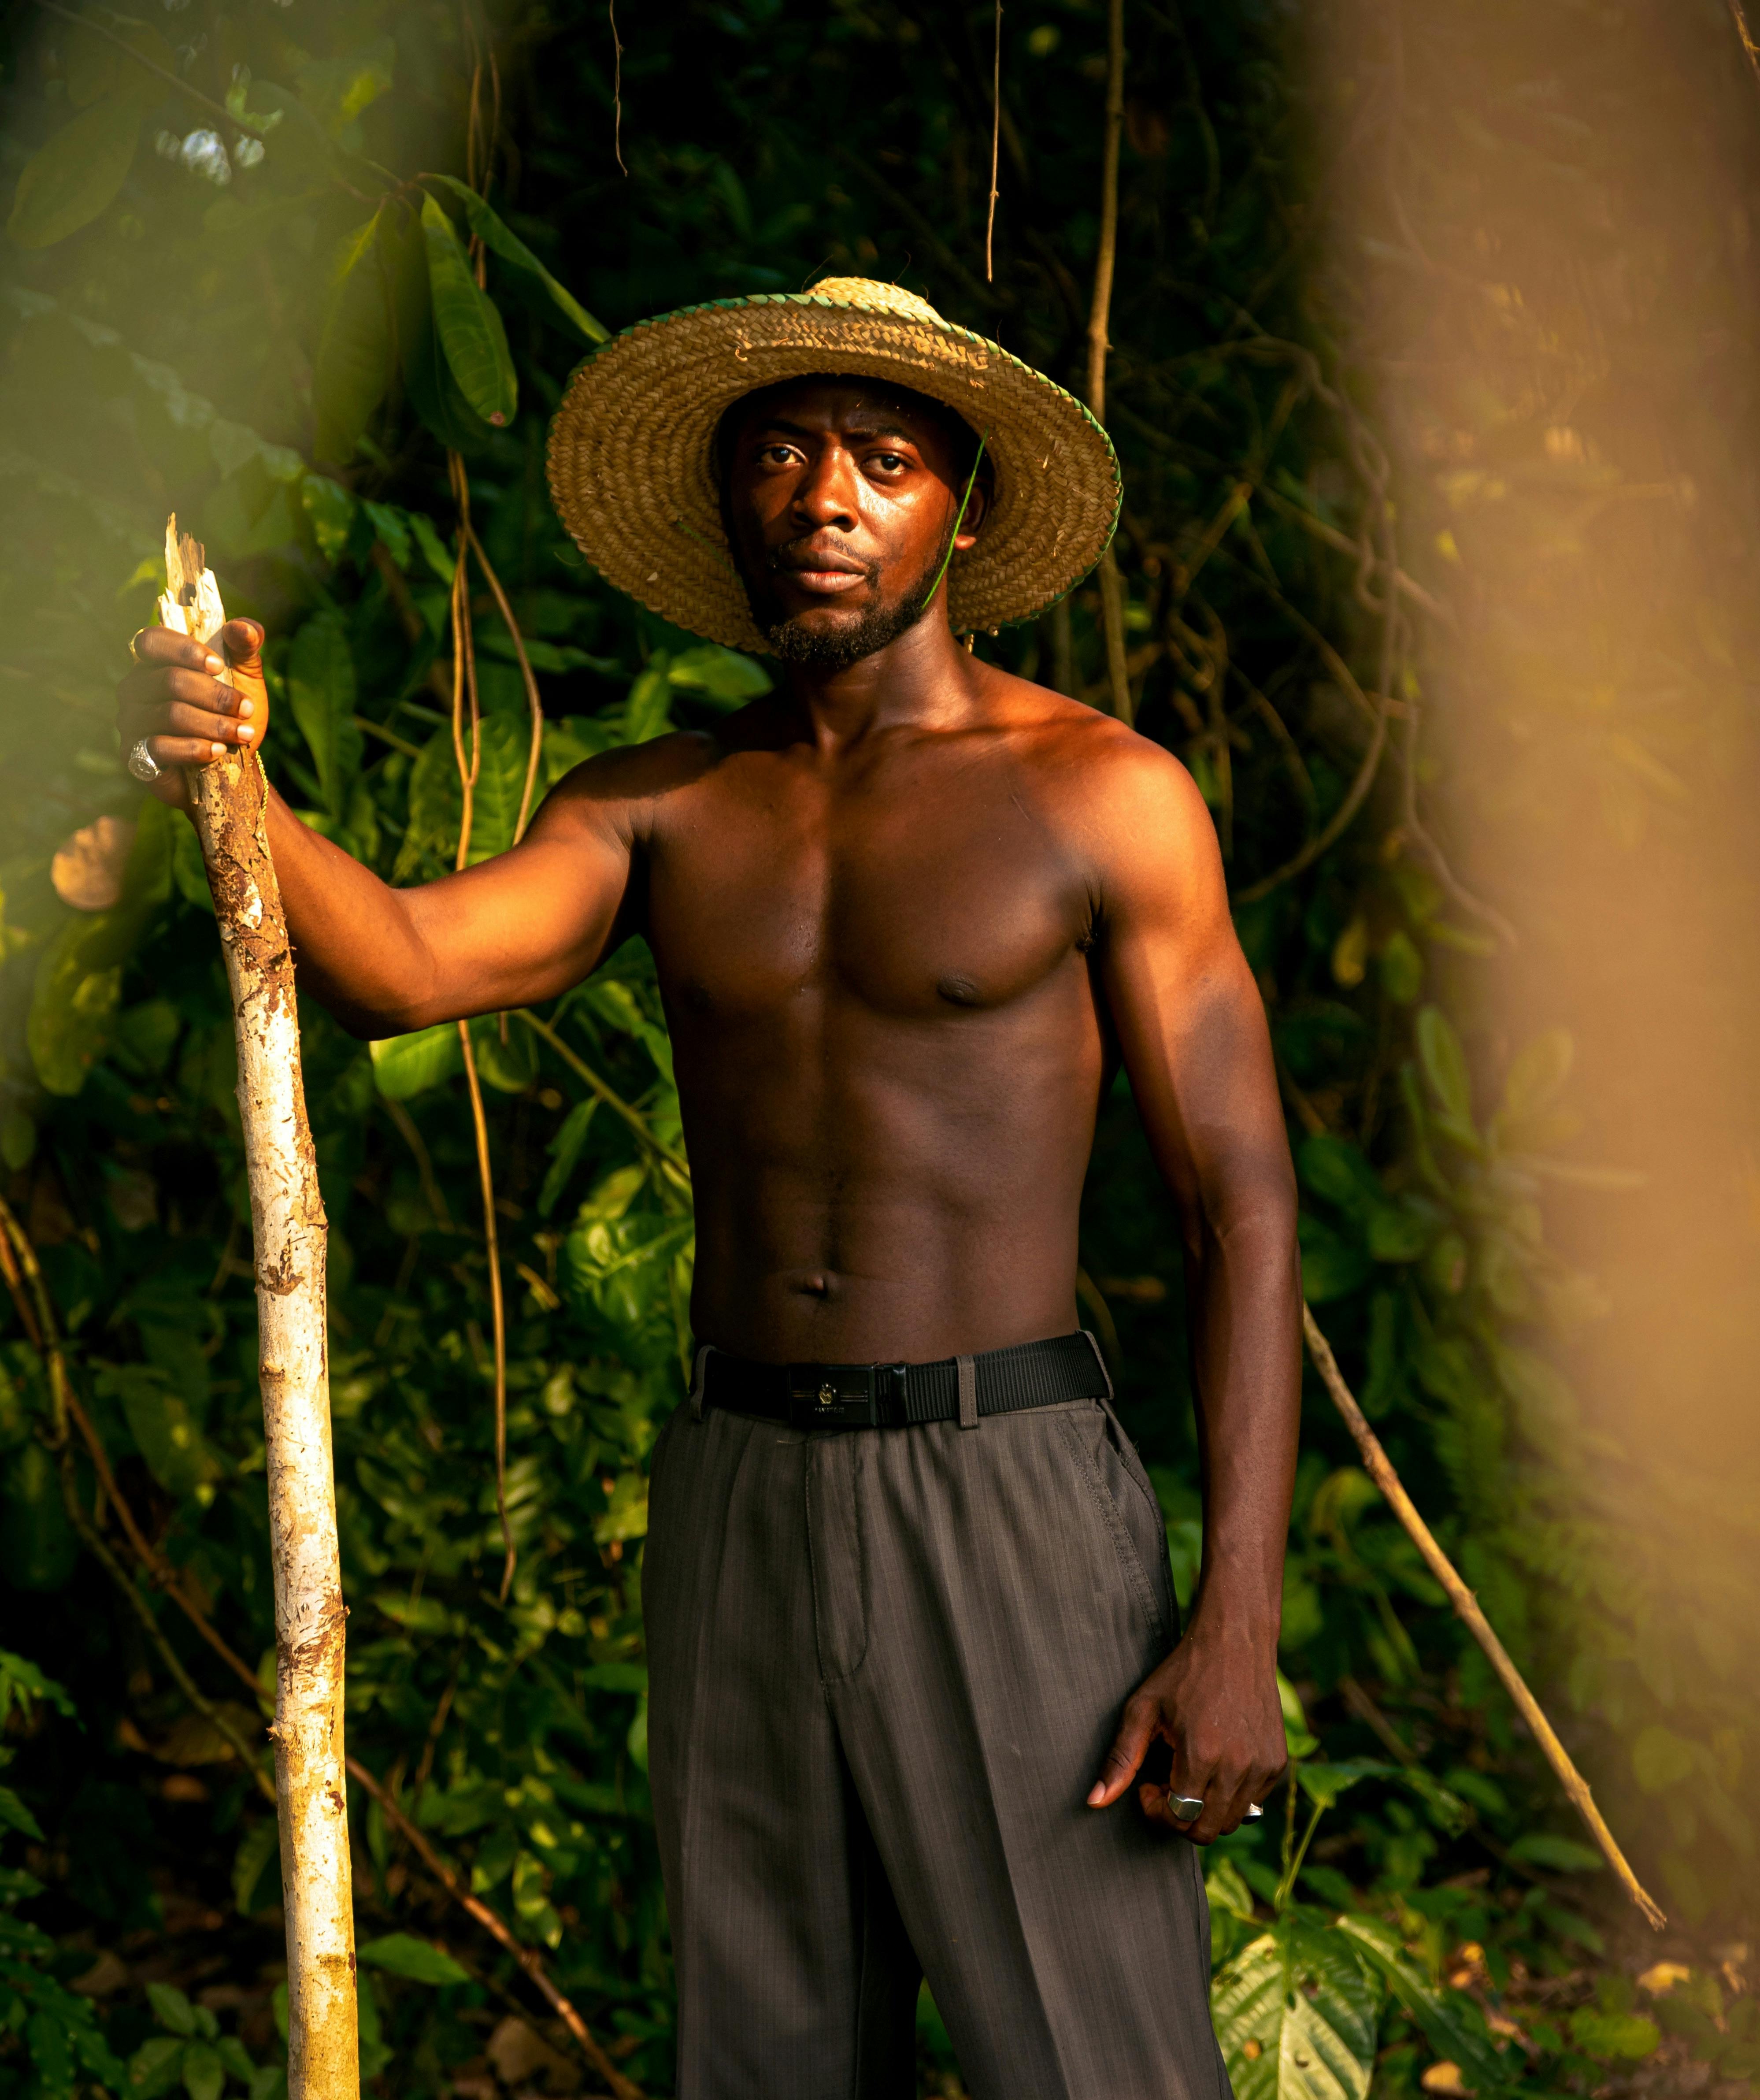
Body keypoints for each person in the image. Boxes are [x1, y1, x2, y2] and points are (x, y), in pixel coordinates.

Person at [119, 278, 1300, 2100]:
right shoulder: (660, 805)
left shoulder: (1100, 796)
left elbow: (1242, 1207)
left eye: (884, 460)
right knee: (762, 2060)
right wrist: (235, 775)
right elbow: (408, 969)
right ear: (730, 503)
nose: (827, 497)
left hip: (1005, 1480)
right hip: (740, 1484)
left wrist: (1235, 1626)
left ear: (961, 508)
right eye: (781, 456)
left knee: (1095, 2068)